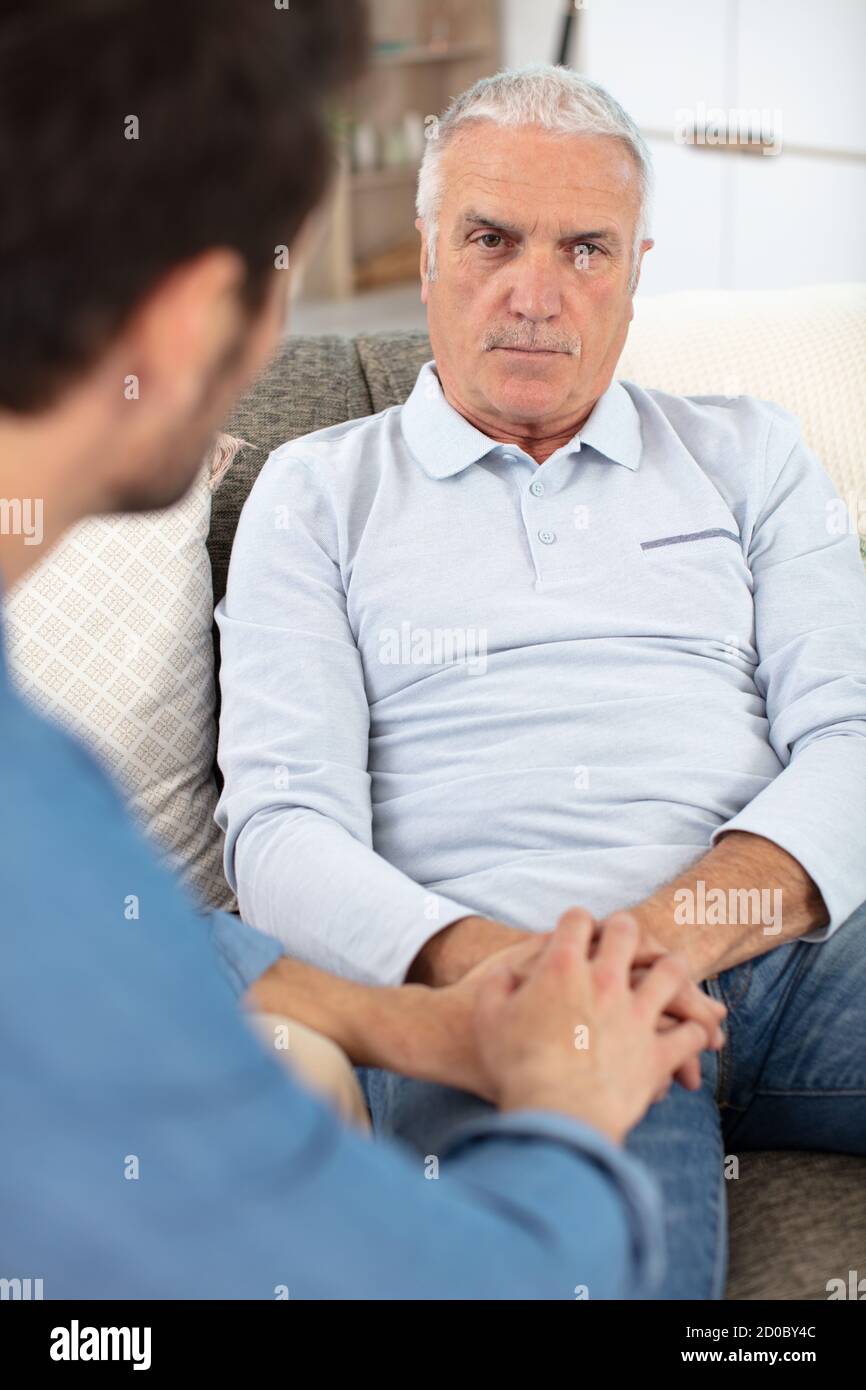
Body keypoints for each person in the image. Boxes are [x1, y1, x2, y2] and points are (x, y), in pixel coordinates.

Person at [0, 1, 722, 1300]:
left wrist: (426, 1024)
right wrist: (561, 1106)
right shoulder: (41, 820)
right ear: (190, 322)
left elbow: (157, 947)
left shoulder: (44, 807)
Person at [215, 64, 866, 1299]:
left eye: (584, 249)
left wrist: (649, 949)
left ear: (633, 268)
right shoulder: (317, 490)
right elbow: (282, 827)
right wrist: (516, 981)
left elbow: (849, 737)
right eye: (491, 239)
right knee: (605, 1270)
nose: (535, 293)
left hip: (778, 950)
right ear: (425, 253)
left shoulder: (746, 452)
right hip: (495, 982)